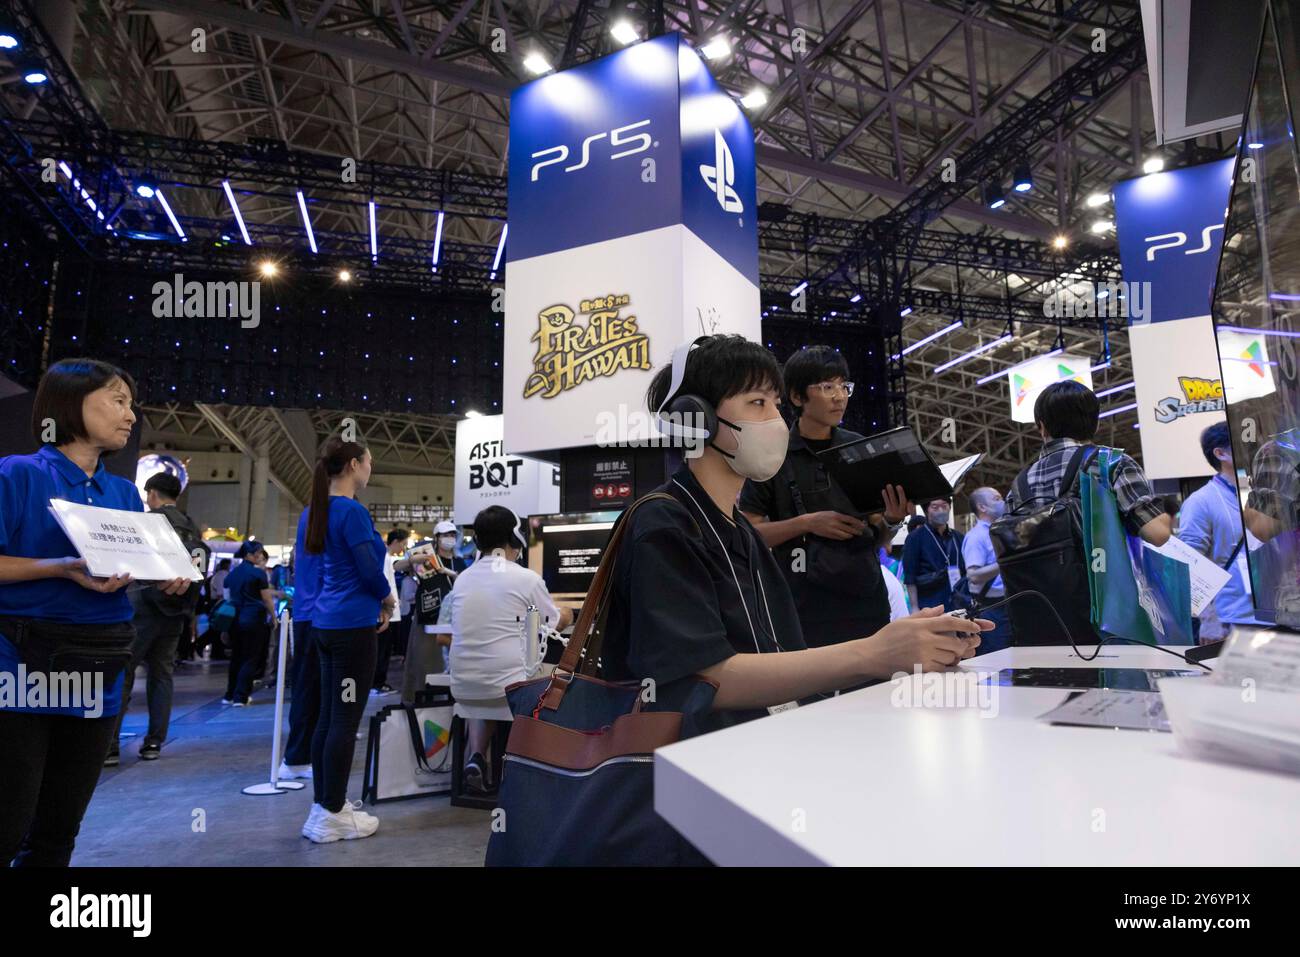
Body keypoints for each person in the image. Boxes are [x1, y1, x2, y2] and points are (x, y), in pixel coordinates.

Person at [598, 334, 989, 740]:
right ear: (695, 419)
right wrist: (875, 653)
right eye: (757, 403)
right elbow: (703, 679)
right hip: (696, 766)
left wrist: (910, 641)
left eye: (775, 404)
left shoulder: (738, 530)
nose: (773, 421)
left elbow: (775, 657)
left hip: (761, 746)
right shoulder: (664, 524)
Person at [0, 358, 189, 866]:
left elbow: (127, 563)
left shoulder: (124, 493)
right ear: (70, 404)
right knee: (8, 822)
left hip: (98, 664)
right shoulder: (18, 475)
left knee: (59, 830)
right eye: (117, 400)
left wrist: (165, 573)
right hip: (21, 669)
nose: (130, 416)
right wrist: (59, 567)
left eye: (131, 403)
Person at [740, 346, 911, 647]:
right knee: (814, 689)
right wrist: (806, 523)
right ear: (796, 397)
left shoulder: (858, 448)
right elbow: (749, 534)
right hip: (803, 605)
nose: (839, 396)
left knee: (875, 688)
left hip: (865, 599)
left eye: (844, 386)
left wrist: (893, 520)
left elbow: (879, 533)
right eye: (826, 387)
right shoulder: (774, 454)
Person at [301, 437, 394, 843]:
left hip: (323, 625)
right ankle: (333, 812)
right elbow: (369, 569)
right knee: (343, 720)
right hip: (353, 629)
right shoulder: (352, 512)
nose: (371, 469)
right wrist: (387, 598)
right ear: (355, 465)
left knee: (328, 717)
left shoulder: (313, 512)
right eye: (369, 462)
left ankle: (324, 805)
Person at [443, 507, 573, 791]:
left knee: (488, 689)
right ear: (516, 537)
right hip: (509, 690)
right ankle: (526, 771)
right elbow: (554, 624)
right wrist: (567, 613)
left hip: (464, 687)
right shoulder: (526, 579)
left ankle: (476, 756)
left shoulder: (462, 579)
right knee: (544, 683)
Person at [106, 471, 205, 764]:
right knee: (162, 676)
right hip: (175, 612)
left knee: (124, 674)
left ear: (151, 494)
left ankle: (110, 745)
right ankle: (154, 743)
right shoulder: (191, 527)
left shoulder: (148, 522)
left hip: (141, 609)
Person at [1005, 380, 1170, 545]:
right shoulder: (1112, 463)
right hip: (1103, 569)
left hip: (1039, 571)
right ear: (1096, 424)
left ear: (1041, 427)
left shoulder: (1019, 486)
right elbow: (1157, 533)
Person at [1177, 422, 1259, 641]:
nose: (1251, 446)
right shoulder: (1201, 502)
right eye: (1241, 442)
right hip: (1233, 620)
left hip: (1279, 616)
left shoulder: (1263, 495)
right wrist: (1208, 619)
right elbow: (1188, 566)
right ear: (1220, 453)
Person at [281, 506, 324, 781]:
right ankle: (296, 757)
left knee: (313, 689)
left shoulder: (311, 518)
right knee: (308, 688)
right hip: (317, 616)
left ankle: (303, 754)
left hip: (313, 614)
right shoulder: (322, 516)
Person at [222, 541, 276, 706]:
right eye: (258, 553)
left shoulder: (232, 573)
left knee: (236, 657)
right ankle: (241, 696)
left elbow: (226, 597)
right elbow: (266, 598)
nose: (260, 556)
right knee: (250, 658)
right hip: (253, 619)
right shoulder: (258, 574)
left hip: (234, 619)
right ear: (249, 554)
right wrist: (273, 616)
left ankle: (229, 694)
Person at [961, 486, 1012, 653]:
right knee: (998, 661)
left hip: (1007, 606)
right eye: (997, 499)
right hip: (990, 609)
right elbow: (973, 575)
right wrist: (1005, 562)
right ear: (982, 507)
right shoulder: (976, 536)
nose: (1002, 502)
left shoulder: (997, 532)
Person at [902, 497, 965, 612]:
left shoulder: (958, 537)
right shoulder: (915, 538)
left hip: (958, 601)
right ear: (926, 511)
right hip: (930, 603)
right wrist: (914, 608)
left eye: (944, 506)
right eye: (935, 507)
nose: (941, 511)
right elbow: (910, 577)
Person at [370, 529, 407, 696]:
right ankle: (377, 684)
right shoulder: (383, 557)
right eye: (404, 543)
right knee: (381, 651)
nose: (404, 547)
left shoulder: (388, 559)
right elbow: (383, 584)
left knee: (384, 650)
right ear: (396, 541)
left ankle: (379, 682)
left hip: (390, 613)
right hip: (386, 614)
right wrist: (387, 608)